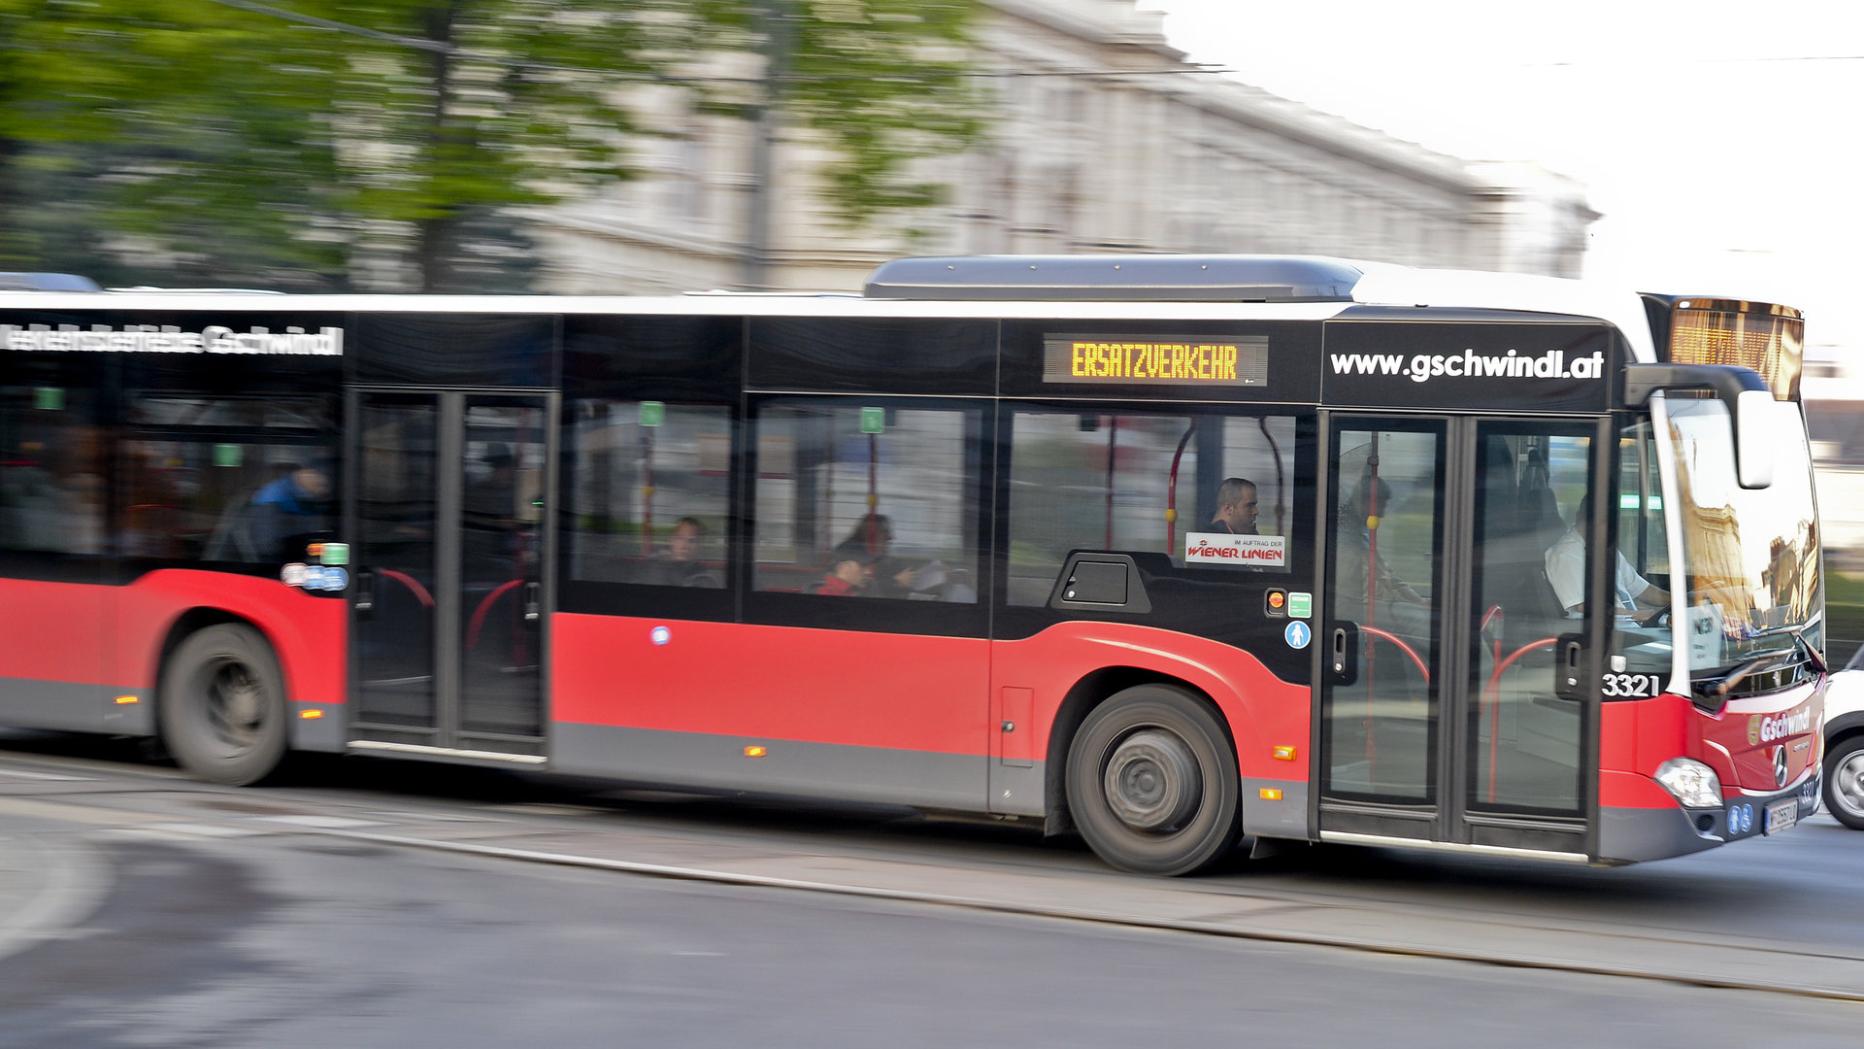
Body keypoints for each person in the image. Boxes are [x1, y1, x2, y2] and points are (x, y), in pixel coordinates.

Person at [1544, 493, 1668, 618]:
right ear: (1580, 517)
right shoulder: (1565, 554)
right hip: (1600, 630)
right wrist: (1634, 615)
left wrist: (1679, 601)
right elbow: (1583, 606)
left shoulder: (1605, 549)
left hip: (1627, 623)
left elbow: (1643, 590)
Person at [1334, 477, 1429, 632]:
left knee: (1415, 614)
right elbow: (1380, 578)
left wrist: (1419, 601)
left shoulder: (1357, 531)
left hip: (1357, 606)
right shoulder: (1346, 538)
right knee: (1415, 620)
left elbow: (1386, 575)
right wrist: (1415, 603)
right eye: (1381, 506)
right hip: (1348, 610)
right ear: (1367, 502)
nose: (1383, 514)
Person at [238, 461, 332, 560]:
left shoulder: (306, 498)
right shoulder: (272, 498)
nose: (323, 489)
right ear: (307, 473)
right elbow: (267, 547)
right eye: (321, 484)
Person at [640, 516, 721, 588]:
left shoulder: (704, 578)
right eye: (680, 538)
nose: (684, 546)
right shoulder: (654, 564)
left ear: (699, 546)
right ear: (671, 540)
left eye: (692, 541)